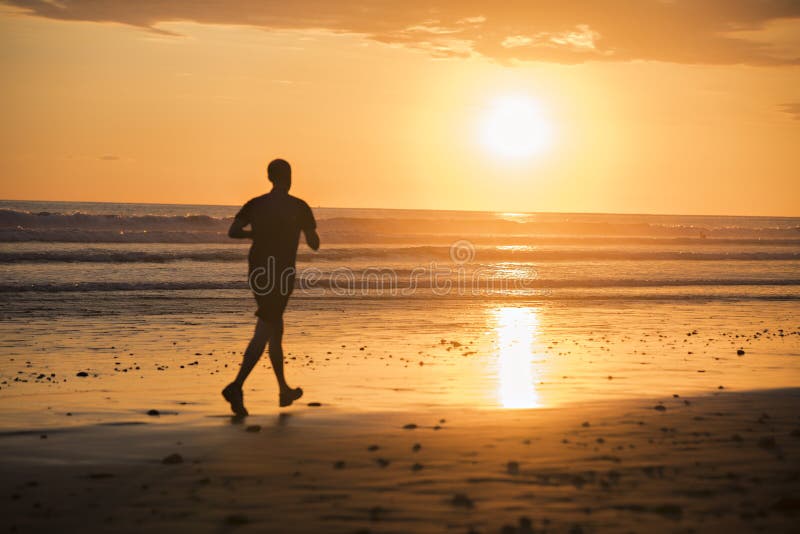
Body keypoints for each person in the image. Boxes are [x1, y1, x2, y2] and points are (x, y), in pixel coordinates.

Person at [222, 159, 319, 415]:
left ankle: (283, 390)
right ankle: (236, 385)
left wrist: (255, 235)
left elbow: (233, 232)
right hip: (282, 272)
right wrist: (308, 232)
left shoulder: (255, 204)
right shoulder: (299, 206)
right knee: (267, 328)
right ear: (290, 177)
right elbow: (314, 244)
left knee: (274, 327)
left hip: (258, 271)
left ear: (269, 177)